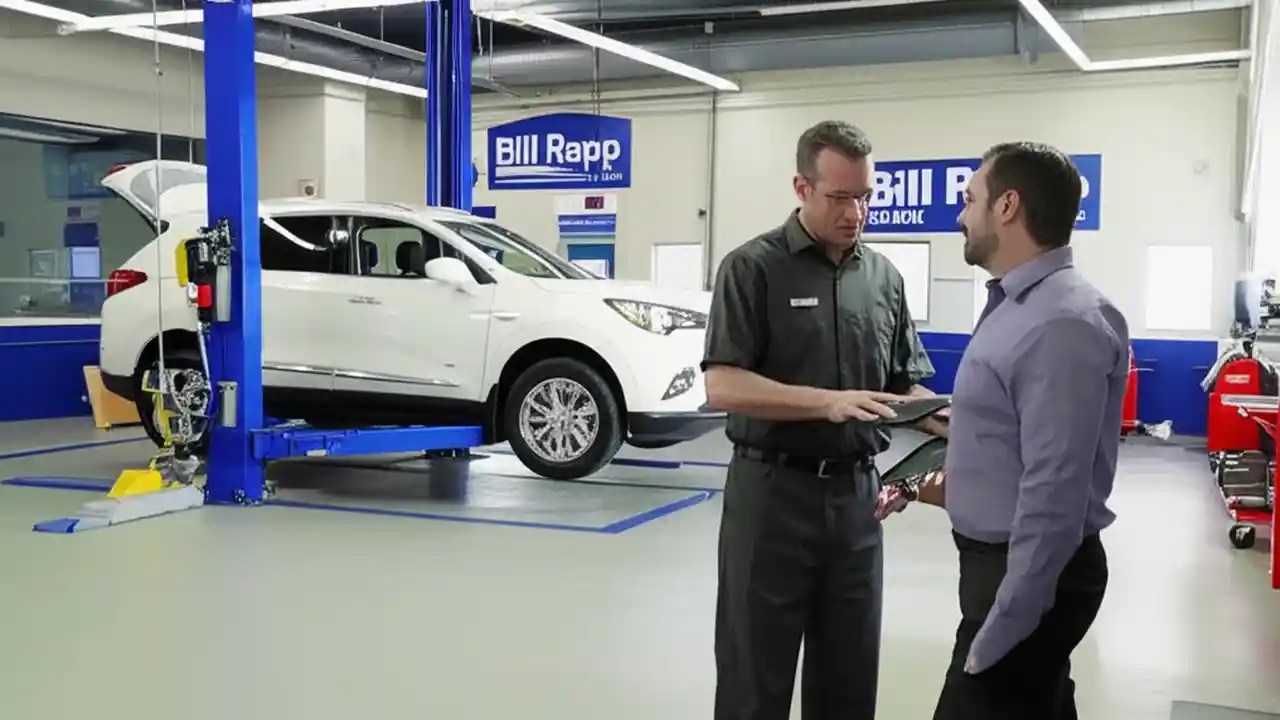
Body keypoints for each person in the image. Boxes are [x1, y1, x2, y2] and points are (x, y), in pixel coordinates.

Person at [701, 119, 939, 720]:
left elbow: (898, 384)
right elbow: (722, 383)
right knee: (754, 680)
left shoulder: (884, 278)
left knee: (849, 681)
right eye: (840, 197)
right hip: (771, 497)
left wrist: (951, 418)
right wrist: (824, 401)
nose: (855, 212)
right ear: (801, 187)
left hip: (859, 499)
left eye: (864, 196)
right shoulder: (751, 268)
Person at [929, 142, 1129, 719]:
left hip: (1028, 576)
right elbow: (1009, 442)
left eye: (970, 200)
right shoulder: (1019, 306)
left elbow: (1054, 490)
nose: (961, 216)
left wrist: (1005, 627)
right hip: (1006, 567)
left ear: (1008, 206)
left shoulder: (1060, 322)